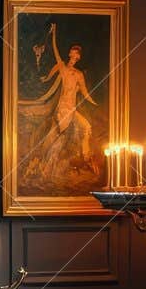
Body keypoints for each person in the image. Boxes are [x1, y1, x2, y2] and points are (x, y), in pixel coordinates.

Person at [21, 23, 98, 187]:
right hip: (63, 108)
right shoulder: (62, 67)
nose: (72, 52)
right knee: (54, 138)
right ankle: (41, 166)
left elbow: (85, 91)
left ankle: (85, 157)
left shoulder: (78, 74)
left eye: (75, 51)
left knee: (86, 127)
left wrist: (92, 101)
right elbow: (55, 51)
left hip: (72, 109)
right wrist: (54, 33)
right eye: (72, 50)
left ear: (78, 56)